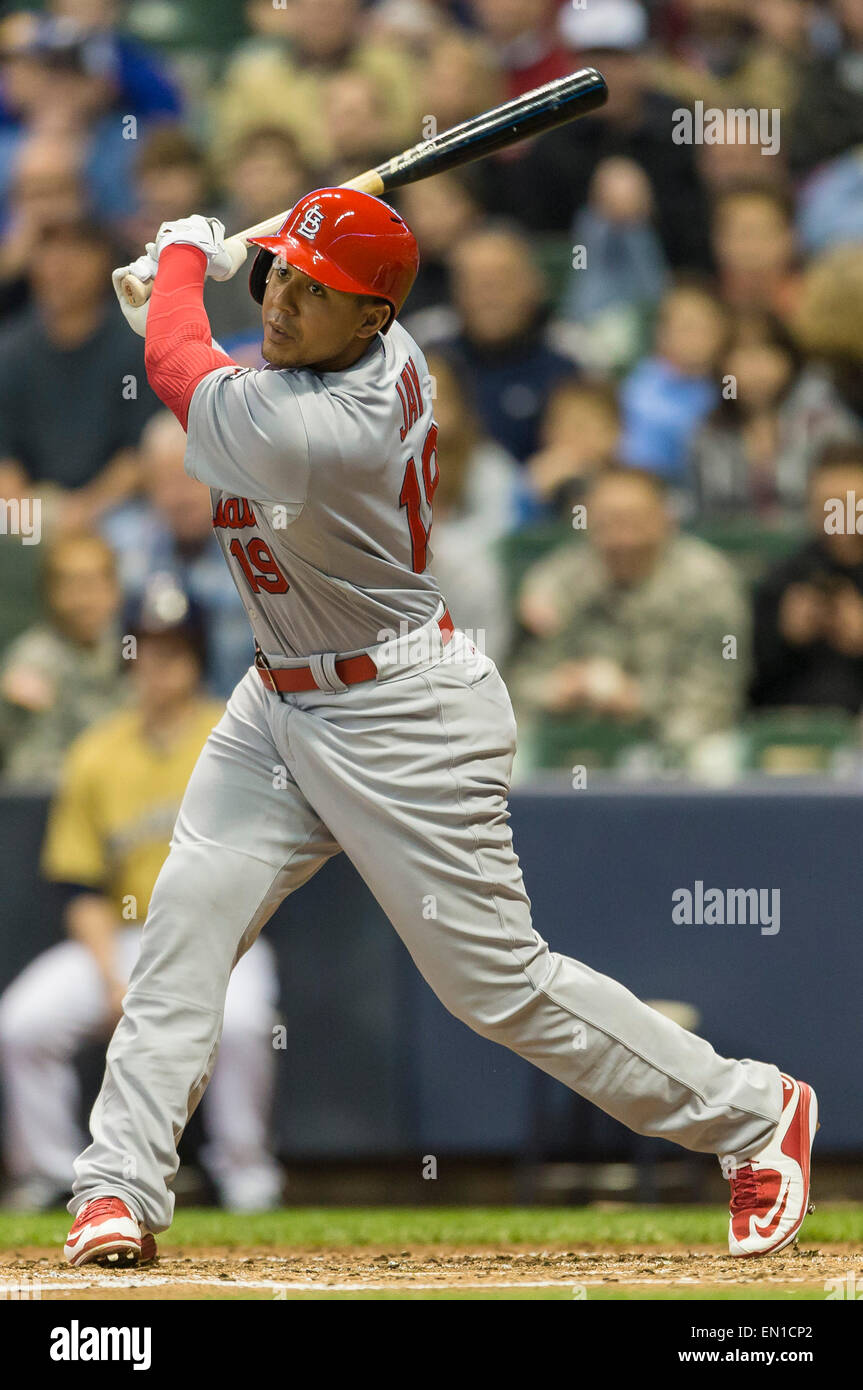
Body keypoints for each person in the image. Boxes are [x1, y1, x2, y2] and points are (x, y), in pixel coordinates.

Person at [63, 188, 816, 1268]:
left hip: (399, 714)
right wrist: (219, 275)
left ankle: (752, 1113)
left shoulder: (328, 427)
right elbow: (222, 350)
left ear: (372, 322)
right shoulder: (341, 341)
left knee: (494, 984)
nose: (284, 303)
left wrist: (184, 265)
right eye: (281, 275)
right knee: (185, 915)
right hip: (279, 695)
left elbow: (189, 376)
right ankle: (117, 1187)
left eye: (317, 294)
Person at [0, 581, 281, 1213]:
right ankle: (49, 1175)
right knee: (22, 1024)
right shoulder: (97, 751)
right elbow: (78, 887)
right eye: (148, 649)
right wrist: (108, 978)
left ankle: (247, 1176)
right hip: (126, 938)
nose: (160, 664)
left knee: (242, 1023)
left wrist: (211, 961)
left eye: (175, 650)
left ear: (198, 656)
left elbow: (269, 863)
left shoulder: (237, 736)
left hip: (225, 934)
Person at [509, 468, 751, 760]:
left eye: (634, 522)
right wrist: (557, 690)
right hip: (570, 740)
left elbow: (715, 700)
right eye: (607, 523)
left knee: (715, 758)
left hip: (674, 741)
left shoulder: (709, 583)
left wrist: (637, 703)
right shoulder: (554, 582)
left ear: (666, 521)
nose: (622, 539)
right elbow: (514, 689)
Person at [0, 218, 160, 536]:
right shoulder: (11, 350)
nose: (59, 267)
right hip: (37, 502)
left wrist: (86, 509)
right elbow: (5, 457)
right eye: (48, 253)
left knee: (132, 538)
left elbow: (141, 451)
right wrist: (26, 514)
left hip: (117, 506)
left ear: (103, 262)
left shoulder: (135, 343)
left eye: (75, 253)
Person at [102, 410, 255, 698]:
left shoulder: (260, 552)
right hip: (152, 725)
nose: (179, 497)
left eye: (191, 479)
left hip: (246, 723)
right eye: (165, 482)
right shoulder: (119, 544)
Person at [429, 224, 581, 463]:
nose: (489, 297)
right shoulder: (424, 357)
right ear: (454, 291)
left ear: (535, 285)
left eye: (501, 281)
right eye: (476, 283)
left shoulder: (571, 361)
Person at [0, 533, 127, 788]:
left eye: (93, 583)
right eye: (71, 585)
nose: (84, 600)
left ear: (114, 589)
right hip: (46, 798)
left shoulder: (129, 650)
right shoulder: (31, 658)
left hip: (119, 797)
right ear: (49, 593)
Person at [751, 442, 863, 713]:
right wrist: (784, 638)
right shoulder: (784, 578)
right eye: (829, 506)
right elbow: (747, 684)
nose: (841, 518)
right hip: (792, 725)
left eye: (853, 505)